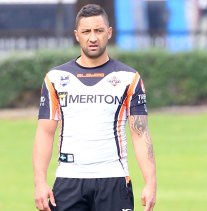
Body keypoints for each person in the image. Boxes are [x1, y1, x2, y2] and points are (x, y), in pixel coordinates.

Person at [33, 4, 156, 211]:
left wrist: (151, 182)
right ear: (76, 35)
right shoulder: (55, 78)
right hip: (68, 180)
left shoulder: (129, 78)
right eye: (86, 31)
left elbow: (140, 133)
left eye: (98, 31)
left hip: (114, 179)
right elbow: (45, 132)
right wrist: (40, 182)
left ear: (109, 33)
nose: (92, 38)